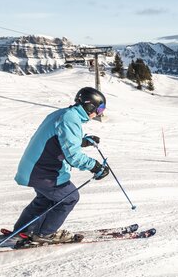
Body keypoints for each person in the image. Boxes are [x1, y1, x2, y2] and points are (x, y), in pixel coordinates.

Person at [12, 87, 111, 244]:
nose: (99, 113)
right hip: (44, 171)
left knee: (44, 200)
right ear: (89, 105)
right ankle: (44, 233)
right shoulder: (70, 119)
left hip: (33, 168)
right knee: (69, 197)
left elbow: (60, 138)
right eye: (99, 108)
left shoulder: (64, 114)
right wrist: (96, 166)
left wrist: (83, 141)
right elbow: (73, 156)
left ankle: (22, 230)